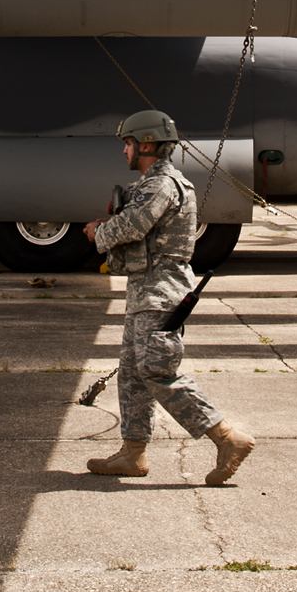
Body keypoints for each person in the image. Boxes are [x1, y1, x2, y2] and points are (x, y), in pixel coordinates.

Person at [81, 109, 254, 485]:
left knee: (157, 371)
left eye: (128, 143)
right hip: (147, 292)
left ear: (146, 144)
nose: (124, 151)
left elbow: (133, 225)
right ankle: (132, 453)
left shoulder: (160, 185)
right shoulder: (154, 183)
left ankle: (227, 439)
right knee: (131, 374)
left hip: (160, 294)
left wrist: (100, 231)